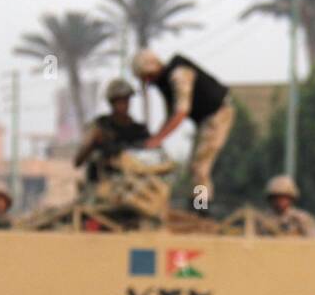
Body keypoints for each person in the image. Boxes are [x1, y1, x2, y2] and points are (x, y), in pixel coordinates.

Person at [133, 49, 234, 205]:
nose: (147, 81)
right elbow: (170, 116)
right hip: (206, 119)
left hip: (218, 115)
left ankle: (201, 205)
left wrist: (158, 139)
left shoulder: (178, 75)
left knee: (199, 166)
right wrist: (155, 139)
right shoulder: (164, 82)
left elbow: (181, 112)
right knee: (194, 166)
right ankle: (197, 202)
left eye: (147, 77)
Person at [73, 78, 152, 182]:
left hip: (133, 183)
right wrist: (92, 140)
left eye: (126, 100)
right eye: (119, 101)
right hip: (102, 183)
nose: (123, 105)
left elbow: (151, 156)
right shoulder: (101, 125)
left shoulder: (139, 130)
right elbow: (78, 161)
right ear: (112, 103)